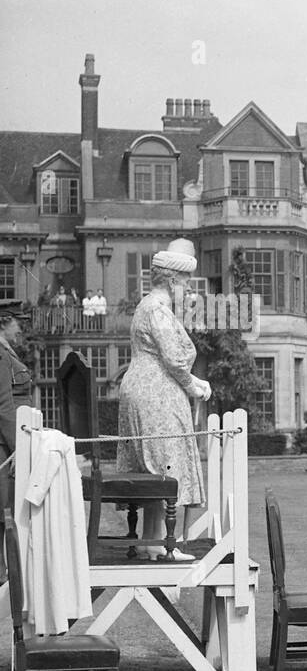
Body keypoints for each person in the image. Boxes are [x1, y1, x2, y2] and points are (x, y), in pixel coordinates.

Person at [117, 238, 211, 561]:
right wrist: (193, 385)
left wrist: (193, 381)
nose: (187, 287)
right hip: (153, 394)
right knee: (163, 465)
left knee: (155, 466)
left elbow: (166, 357)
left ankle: (151, 542)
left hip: (148, 388)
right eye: (185, 281)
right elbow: (172, 359)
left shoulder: (152, 308)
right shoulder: (156, 309)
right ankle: (164, 545)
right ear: (172, 280)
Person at [0, 314, 33, 552]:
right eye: (17, 322)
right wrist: (17, 447)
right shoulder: (1, 354)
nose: (22, 328)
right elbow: (4, 405)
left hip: (7, 441)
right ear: (3, 322)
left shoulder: (6, 351)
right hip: (4, 445)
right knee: (4, 512)